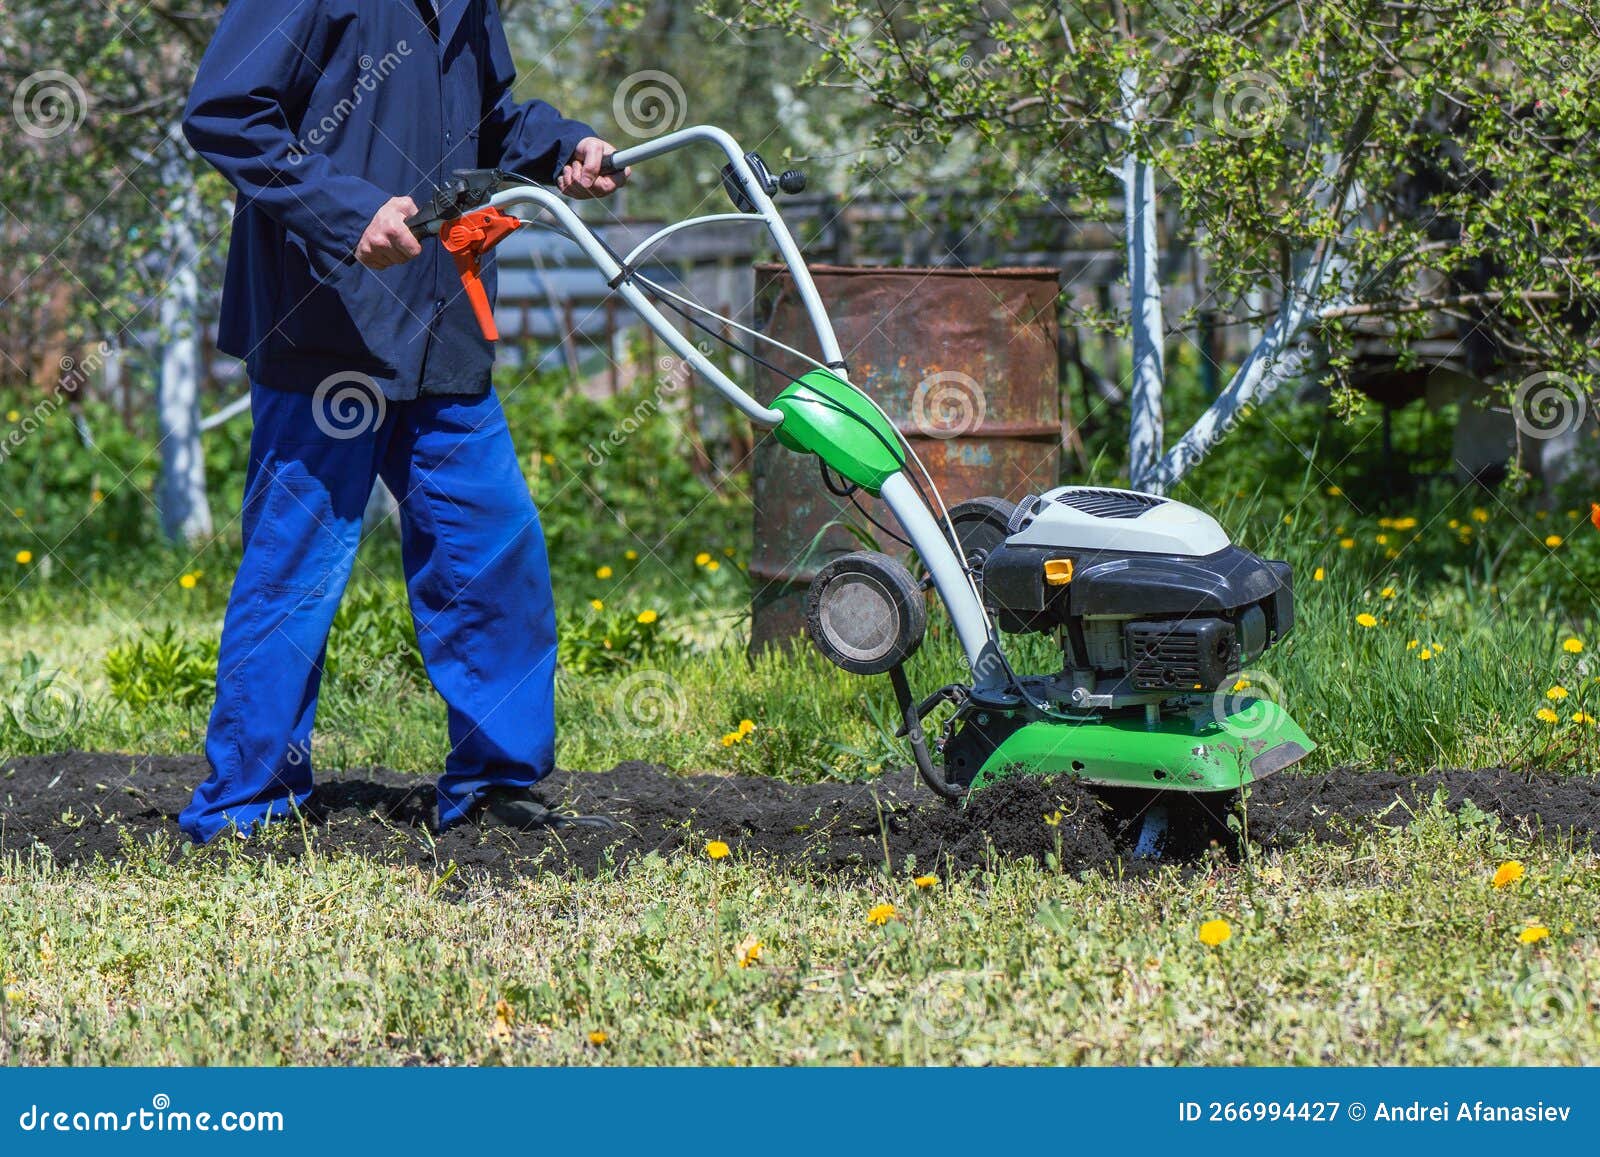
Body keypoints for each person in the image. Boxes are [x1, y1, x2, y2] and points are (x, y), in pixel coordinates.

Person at [177, 0, 627, 842]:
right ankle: (249, 806)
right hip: (325, 325)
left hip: (438, 318)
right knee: (296, 565)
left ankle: (494, 782)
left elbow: (484, 121)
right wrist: (346, 215)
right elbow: (224, 112)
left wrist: (564, 145)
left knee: (490, 549)